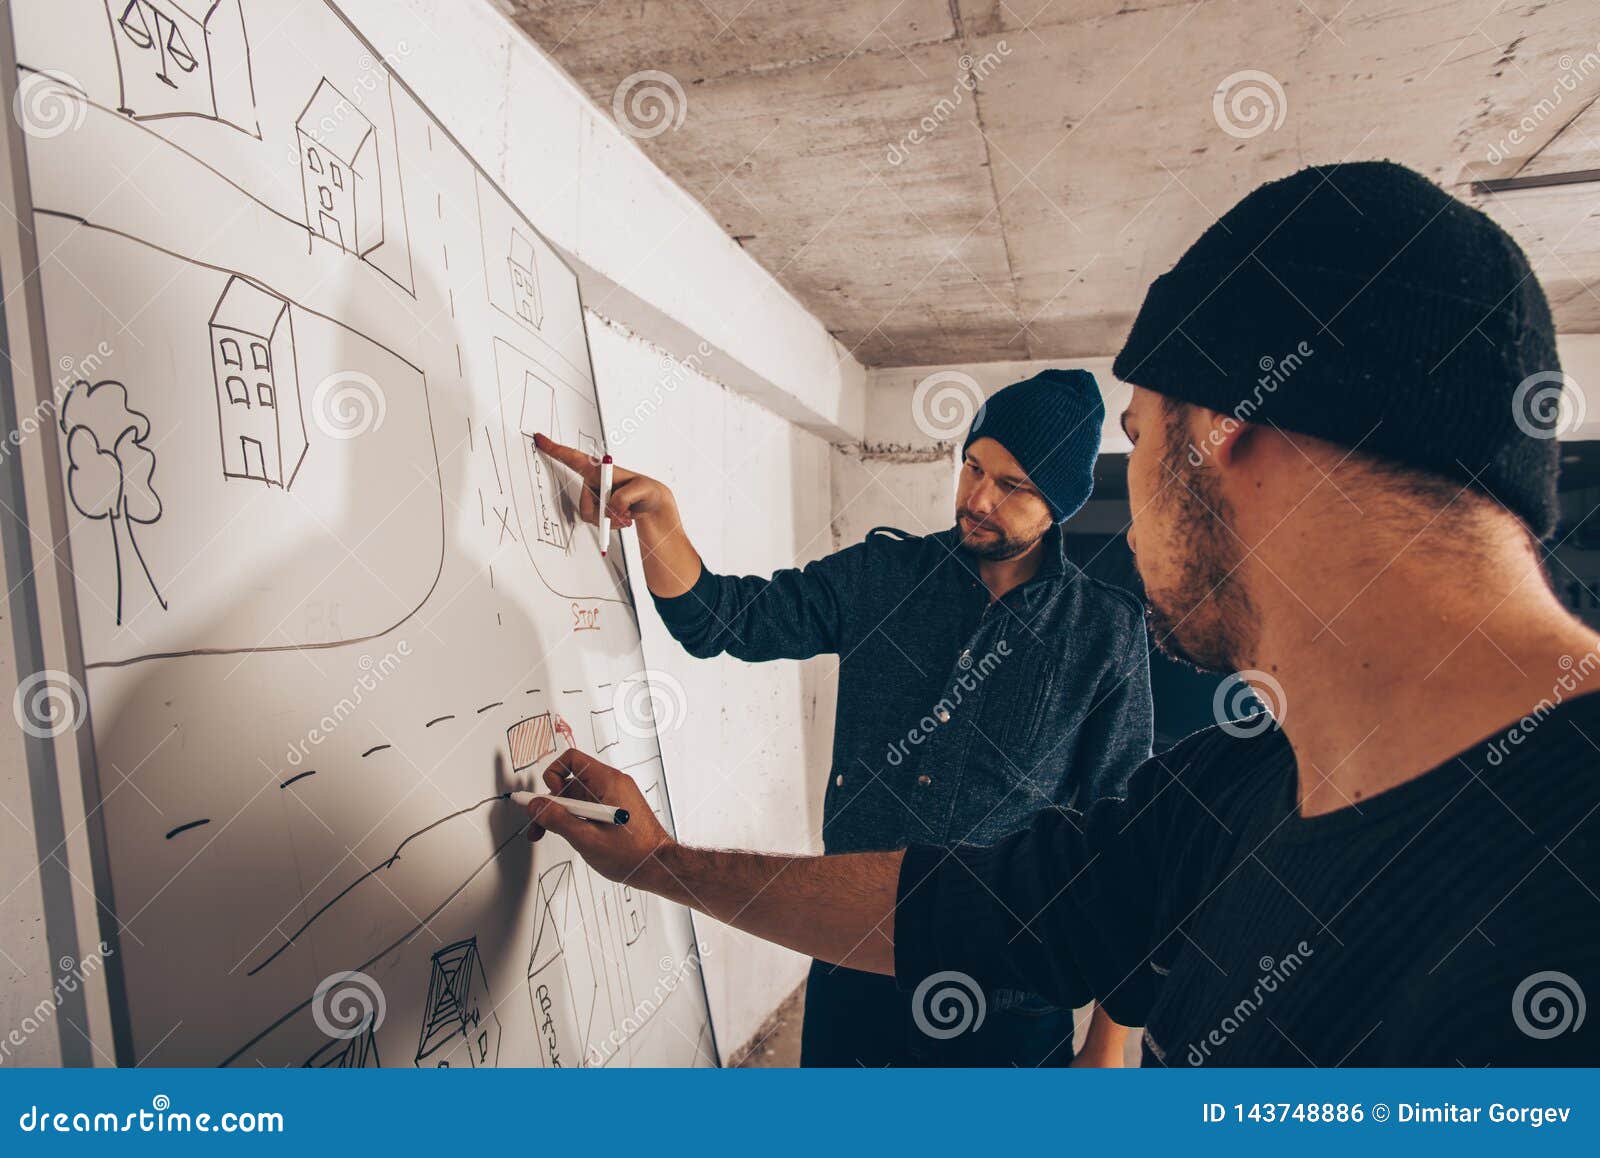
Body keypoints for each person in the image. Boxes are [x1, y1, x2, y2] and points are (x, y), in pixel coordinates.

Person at [527, 161, 1600, 1066]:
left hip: (1007, 1029)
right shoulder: (1224, 805)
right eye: (973, 470)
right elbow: (1010, 903)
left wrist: (1102, 1043)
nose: (1135, 527)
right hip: (867, 989)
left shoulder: (1114, 643)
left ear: (1220, 426)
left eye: (1137, 438)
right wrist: (660, 862)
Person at [535, 368, 1153, 1067]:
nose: (977, 498)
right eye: (974, 466)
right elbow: (724, 621)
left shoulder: (1105, 631)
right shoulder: (885, 576)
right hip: (851, 968)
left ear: (1060, 504)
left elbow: (1122, 848)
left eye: (1012, 486)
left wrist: (1108, 1044)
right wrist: (660, 521)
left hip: (1007, 1000)